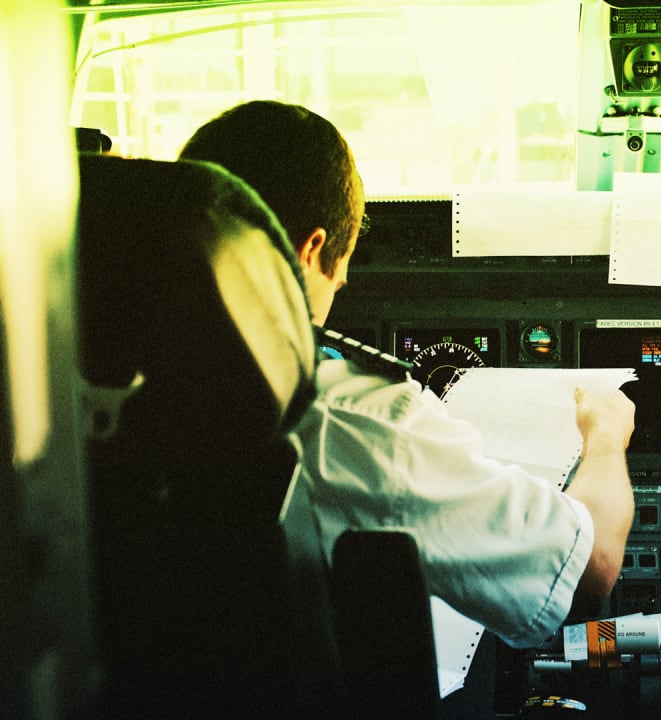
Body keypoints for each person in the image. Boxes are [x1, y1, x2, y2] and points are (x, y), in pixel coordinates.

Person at [179, 101, 636, 710]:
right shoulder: (361, 422)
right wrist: (604, 439)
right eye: (342, 263)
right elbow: (588, 574)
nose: (342, 285)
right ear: (314, 249)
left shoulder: (68, 384)